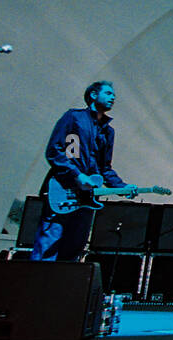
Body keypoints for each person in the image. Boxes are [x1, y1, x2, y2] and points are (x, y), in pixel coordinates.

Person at [31, 81, 135, 262]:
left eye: (114, 95)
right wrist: (77, 175)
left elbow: (104, 169)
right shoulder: (74, 117)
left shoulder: (108, 132)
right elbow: (54, 151)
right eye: (109, 93)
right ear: (94, 95)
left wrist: (122, 187)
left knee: (74, 248)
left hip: (87, 199)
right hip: (64, 192)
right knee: (48, 246)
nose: (113, 97)